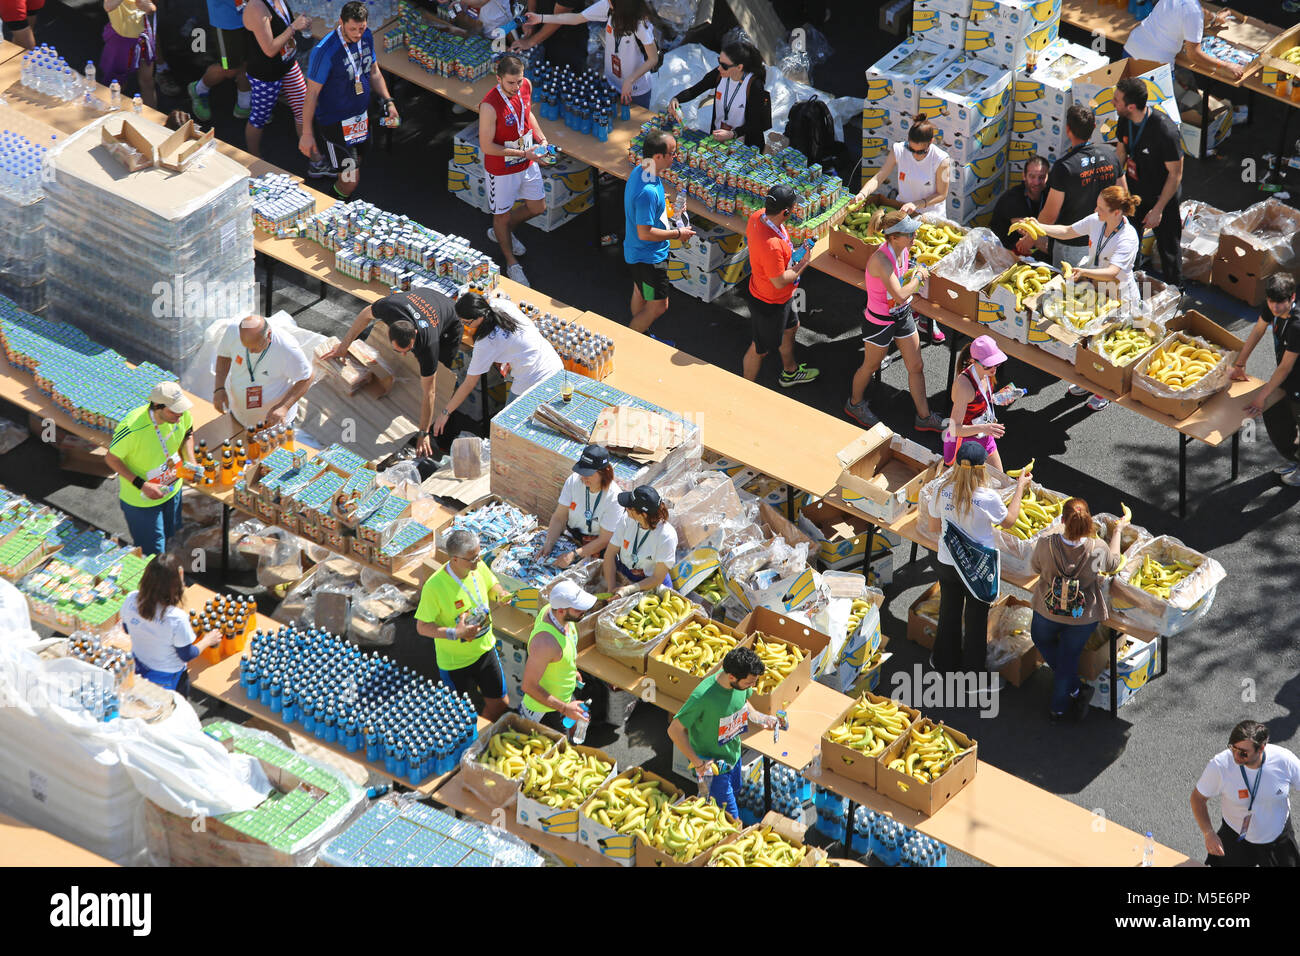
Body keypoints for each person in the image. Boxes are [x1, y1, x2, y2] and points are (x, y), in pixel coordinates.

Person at [1028, 184, 1143, 411]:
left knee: (1107, 347)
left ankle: (1105, 390)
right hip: (1097, 293)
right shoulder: (1097, 220)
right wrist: (1039, 227)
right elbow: (1068, 231)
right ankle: (1090, 382)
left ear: (1116, 213)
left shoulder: (1128, 238)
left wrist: (1085, 272)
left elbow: (1112, 272)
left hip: (1119, 297)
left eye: (1101, 208)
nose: (1096, 210)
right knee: (1089, 341)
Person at [928, 441, 1030, 676]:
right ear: (982, 468)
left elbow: (934, 526)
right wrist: (1020, 488)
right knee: (975, 621)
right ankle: (972, 674)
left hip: (947, 560)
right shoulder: (987, 497)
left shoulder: (941, 488)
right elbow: (1010, 521)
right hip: (977, 568)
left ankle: (944, 662)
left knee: (949, 611)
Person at [326, 290, 464, 459]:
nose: (404, 355)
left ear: (415, 335)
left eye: (408, 350)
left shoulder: (429, 345)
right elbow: (364, 315)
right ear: (390, 328)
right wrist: (343, 347)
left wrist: (423, 433)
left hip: (448, 326)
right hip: (423, 301)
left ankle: (444, 438)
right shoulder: (388, 307)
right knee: (412, 370)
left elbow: (431, 392)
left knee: (441, 381)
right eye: (398, 350)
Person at [843, 209, 945, 432]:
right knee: (870, 365)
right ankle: (855, 404)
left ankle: (924, 416)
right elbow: (899, 294)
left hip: (902, 315)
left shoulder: (904, 250)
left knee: (916, 365)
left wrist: (913, 273)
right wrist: (918, 276)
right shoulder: (881, 260)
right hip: (880, 322)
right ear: (893, 237)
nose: (914, 237)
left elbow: (900, 291)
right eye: (909, 234)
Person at [852, 116, 949, 343]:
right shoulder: (898, 150)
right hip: (902, 217)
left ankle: (928, 319)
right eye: (911, 149)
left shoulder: (942, 160)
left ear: (931, 143)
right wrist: (863, 193)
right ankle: (910, 311)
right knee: (904, 268)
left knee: (927, 269)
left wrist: (918, 204)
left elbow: (942, 193)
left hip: (929, 217)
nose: (915, 155)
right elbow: (879, 176)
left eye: (921, 152)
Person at [1029, 497, 1126, 721]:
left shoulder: (1046, 543)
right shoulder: (1097, 549)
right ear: (1088, 523)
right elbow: (1112, 564)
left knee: (1041, 638)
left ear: (1062, 520)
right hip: (1081, 616)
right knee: (1068, 659)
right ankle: (1059, 708)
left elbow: (1035, 567)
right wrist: (1119, 530)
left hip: (1048, 609)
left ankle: (1073, 689)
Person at [668, 646, 786, 819]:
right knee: (729, 820)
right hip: (713, 770)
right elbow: (674, 730)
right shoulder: (703, 697)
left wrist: (761, 718)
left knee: (732, 796)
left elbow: (744, 703)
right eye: (749, 683)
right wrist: (698, 764)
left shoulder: (741, 684)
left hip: (733, 756)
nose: (753, 687)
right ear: (732, 677)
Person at [299, 1, 398, 199]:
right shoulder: (325, 50)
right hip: (335, 123)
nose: (357, 34)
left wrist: (389, 101)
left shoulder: (367, 37)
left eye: (361, 28)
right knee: (350, 181)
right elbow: (311, 94)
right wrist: (306, 133)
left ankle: (341, 197)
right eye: (352, 28)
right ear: (341, 23)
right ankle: (333, 208)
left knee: (357, 162)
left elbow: (374, 71)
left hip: (361, 117)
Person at [413, 528, 512, 721]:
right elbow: (422, 627)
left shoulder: (478, 566)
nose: (478, 561)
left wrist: (499, 594)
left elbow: (492, 584)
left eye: (478, 555)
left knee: (501, 704)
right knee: (457, 715)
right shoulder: (434, 587)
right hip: (454, 663)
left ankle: (486, 734)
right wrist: (455, 633)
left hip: (485, 650)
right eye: (472, 558)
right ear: (455, 559)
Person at [434, 293, 563, 434]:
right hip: (554, 362)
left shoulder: (486, 343)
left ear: (480, 317)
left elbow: (469, 384)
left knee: (505, 428)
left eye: (466, 323)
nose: (466, 326)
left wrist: (445, 413)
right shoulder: (501, 305)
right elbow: (515, 342)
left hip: (533, 380)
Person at [479, 54, 548, 288]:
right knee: (501, 215)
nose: (516, 87)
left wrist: (541, 138)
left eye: (519, 81)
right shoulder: (489, 105)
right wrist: (523, 154)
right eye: (510, 83)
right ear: (498, 79)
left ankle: (506, 232)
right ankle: (511, 262)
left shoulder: (525, 86)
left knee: (538, 206)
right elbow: (487, 146)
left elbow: (527, 114)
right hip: (502, 169)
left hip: (527, 160)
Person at [1192, 719, 1300, 866]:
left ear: (1261, 748)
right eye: (1233, 748)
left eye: (1243, 753)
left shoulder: (1285, 761)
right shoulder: (1221, 765)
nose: (1236, 756)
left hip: (1277, 837)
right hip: (1236, 836)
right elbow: (1197, 799)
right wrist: (1208, 833)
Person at [105, 382, 196, 556]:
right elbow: (111, 458)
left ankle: (169, 573)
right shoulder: (132, 428)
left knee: (172, 538)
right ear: (157, 406)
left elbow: (188, 433)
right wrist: (143, 485)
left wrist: (191, 461)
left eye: (181, 410)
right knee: (153, 552)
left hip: (172, 489)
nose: (179, 416)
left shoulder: (181, 414)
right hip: (142, 501)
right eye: (174, 411)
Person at [743, 184, 819, 387]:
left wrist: (793, 254)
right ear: (785, 212)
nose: (794, 210)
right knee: (759, 349)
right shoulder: (772, 245)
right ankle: (743, 390)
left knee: (792, 328)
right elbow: (779, 281)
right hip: (769, 302)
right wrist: (804, 263)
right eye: (793, 207)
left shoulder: (758, 216)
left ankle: (790, 371)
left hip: (781, 297)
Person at [1113, 76, 1184, 290]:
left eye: (1116, 100)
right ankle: (1129, 288)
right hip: (1135, 193)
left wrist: (1158, 210)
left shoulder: (1165, 131)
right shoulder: (1125, 119)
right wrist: (1122, 191)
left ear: (1131, 106)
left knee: (1168, 249)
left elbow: (1176, 174)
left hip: (1161, 197)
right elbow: (1121, 152)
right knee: (1128, 242)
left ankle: (1175, 292)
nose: (1113, 103)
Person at [1231, 273, 1300, 486]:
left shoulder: (1297, 325)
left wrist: (1261, 396)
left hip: (1296, 378)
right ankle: (1294, 460)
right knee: (1281, 419)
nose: (1275, 308)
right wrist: (1239, 365)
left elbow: (1284, 368)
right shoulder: (1271, 308)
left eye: (1281, 303)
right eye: (1271, 302)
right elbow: (1257, 331)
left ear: (1292, 298)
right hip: (1291, 378)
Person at [623, 128, 693, 334]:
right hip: (649, 258)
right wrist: (678, 234)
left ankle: (640, 332)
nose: (676, 157)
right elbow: (645, 232)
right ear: (658, 156)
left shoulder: (643, 170)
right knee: (658, 306)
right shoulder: (647, 193)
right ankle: (634, 338)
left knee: (641, 291)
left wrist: (670, 209)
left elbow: (647, 213)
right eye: (673, 153)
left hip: (637, 253)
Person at [1036, 105, 1123, 270]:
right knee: (1098, 291)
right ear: (1094, 127)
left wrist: (1030, 236)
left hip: (1071, 245)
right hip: (1105, 240)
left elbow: (1050, 215)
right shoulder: (1111, 156)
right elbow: (1123, 196)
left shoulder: (1065, 167)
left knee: (1070, 292)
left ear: (1068, 129)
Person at [527, 0, 659, 107]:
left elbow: (653, 59)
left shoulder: (640, 24)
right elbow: (576, 18)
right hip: (612, 83)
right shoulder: (607, 6)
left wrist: (630, 80)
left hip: (635, 90)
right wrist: (541, 18)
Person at [121, 553, 220, 695]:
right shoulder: (176, 618)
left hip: (139, 666)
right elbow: (187, 655)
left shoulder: (131, 599)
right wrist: (207, 640)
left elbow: (127, 629)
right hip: (166, 678)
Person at [519, 580, 597, 733]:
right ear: (561, 610)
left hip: (564, 698)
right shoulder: (545, 643)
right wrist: (565, 708)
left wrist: (570, 671)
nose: (584, 611)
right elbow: (528, 686)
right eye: (578, 608)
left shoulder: (554, 612)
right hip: (547, 711)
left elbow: (560, 655)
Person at [212, 315, 313, 432]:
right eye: (246, 346)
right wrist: (219, 388)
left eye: (255, 347)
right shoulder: (233, 330)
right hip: (238, 415)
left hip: (273, 423)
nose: (250, 351)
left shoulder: (287, 349)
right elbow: (224, 356)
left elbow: (307, 378)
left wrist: (284, 407)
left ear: (269, 335)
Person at [667, 40, 772, 149]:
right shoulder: (719, 74)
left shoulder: (754, 85)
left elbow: (754, 123)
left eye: (724, 65)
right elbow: (695, 90)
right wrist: (676, 99)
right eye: (719, 62)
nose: (719, 68)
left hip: (743, 145)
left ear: (739, 67)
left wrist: (732, 134)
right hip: (718, 140)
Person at [242, 0, 311, 158]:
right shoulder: (256, 7)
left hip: (288, 64)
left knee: (303, 108)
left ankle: (313, 158)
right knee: (260, 116)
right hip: (266, 74)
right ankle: (254, 158)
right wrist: (293, 27)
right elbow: (270, 49)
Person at [536, 444, 623, 568]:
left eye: (589, 474)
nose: (583, 477)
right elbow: (559, 517)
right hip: (572, 537)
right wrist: (549, 544)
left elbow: (604, 539)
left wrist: (574, 555)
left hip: (596, 545)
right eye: (582, 472)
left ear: (604, 473)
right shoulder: (574, 481)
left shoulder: (614, 497)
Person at [1123, 0, 1246, 82]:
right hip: (1155, 66)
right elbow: (1193, 54)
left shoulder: (1192, 8)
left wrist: (1214, 17)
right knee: (1159, 114)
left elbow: (1190, 7)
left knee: (1127, 106)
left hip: (1132, 47)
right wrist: (1225, 66)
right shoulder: (1193, 12)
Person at [944, 336, 1008, 472]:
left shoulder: (985, 374)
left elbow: (982, 399)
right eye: (988, 365)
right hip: (965, 443)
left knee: (1000, 480)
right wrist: (984, 428)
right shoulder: (964, 386)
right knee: (968, 488)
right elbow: (954, 429)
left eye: (996, 363)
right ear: (973, 361)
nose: (993, 369)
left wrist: (999, 398)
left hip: (983, 434)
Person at [603, 484, 676, 596]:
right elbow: (610, 554)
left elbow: (657, 577)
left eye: (629, 507)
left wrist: (627, 590)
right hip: (625, 572)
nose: (625, 508)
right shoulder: (627, 520)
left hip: (652, 582)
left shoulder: (666, 536)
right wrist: (611, 588)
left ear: (643, 514)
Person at [190, 0, 252, 123]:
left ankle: (244, 104)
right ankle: (199, 89)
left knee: (249, 60)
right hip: (227, 20)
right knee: (229, 69)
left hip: (251, 15)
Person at [101, 0, 157, 109]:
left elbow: (151, 7)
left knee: (147, 81)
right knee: (117, 83)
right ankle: (113, 114)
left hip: (142, 38)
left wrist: (148, 7)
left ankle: (151, 120)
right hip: (121, 41)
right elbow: (108, 6)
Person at [990, 154, 1048, 254]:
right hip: (1004, 249)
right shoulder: (1013, 197)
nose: (1036, 182)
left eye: (1041, 177)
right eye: (1032, 176)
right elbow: (1024, 230)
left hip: (1030, 247)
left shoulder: (1048, 194)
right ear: (1024, 176)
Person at [510, 1, 588, 71]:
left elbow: (559, 18)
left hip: (567, 35)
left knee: (563, 73)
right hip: (540, 21)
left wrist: (530, 42)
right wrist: (531, 18)